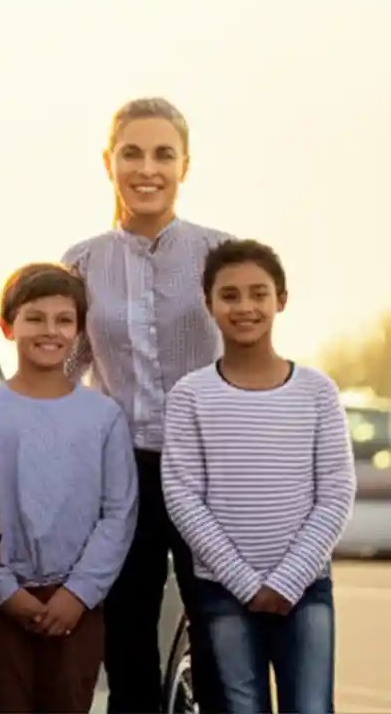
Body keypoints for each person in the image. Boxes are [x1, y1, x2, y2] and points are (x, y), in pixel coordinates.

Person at [61, 96, 230, 713]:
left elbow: (250, 361)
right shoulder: (82, 262)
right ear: (109, 162)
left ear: (185, 164)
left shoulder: (222, 253)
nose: (147, 168)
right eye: (132, 153)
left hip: (208, 467)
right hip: (120, 474)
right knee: (127, 635)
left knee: (219, 626)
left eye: (164, 154)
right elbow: (63, 372)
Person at [161, 239, 355, 713]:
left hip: (305, 590)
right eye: (229, 295)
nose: (244, 307)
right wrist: (246, 583)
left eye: (258, 293)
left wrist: (287, 580)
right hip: (223, 593)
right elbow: (183, 497)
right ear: (209, 305)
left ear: (280, 300)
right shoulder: (191, 395)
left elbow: (335, 492)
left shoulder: (316, 391)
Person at [0, 263, 138, 713]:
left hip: (76, 606)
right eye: (34, 318)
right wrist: (4, 591)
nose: (50, 331)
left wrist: (79, 592)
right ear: (7, 326)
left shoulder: (103, 417)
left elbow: (118, 515)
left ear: (79, 331)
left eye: (64, 320)